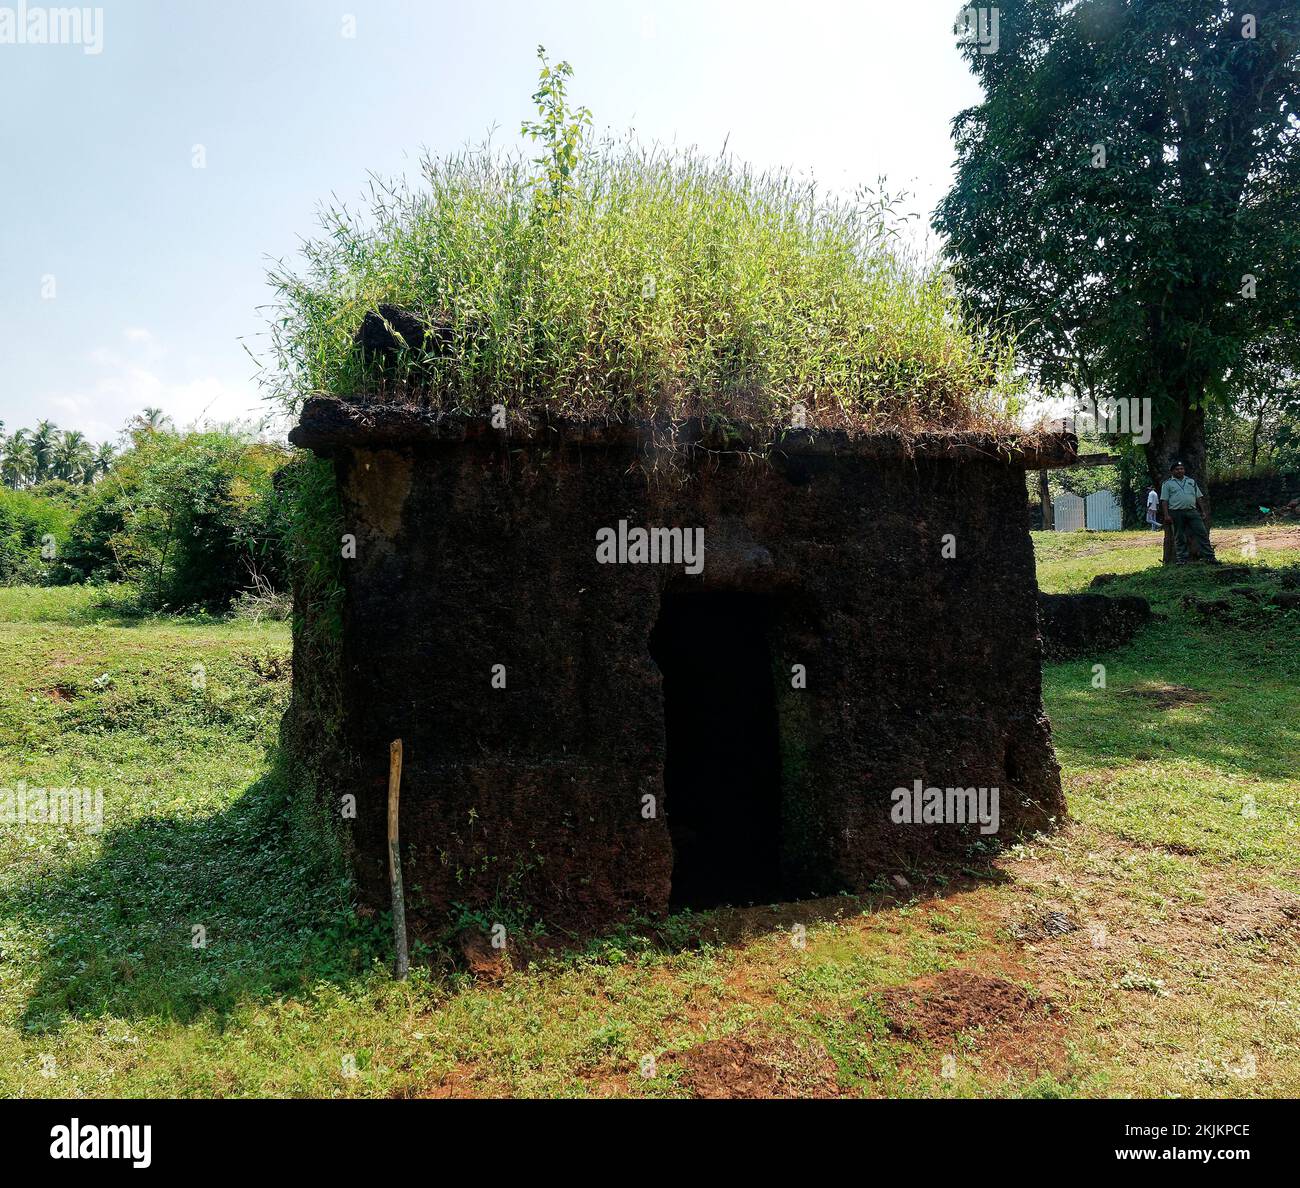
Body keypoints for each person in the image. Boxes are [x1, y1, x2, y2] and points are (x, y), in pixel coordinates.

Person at [1159, 461, 1217, 563]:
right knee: (1179, 536)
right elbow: (1164, 500)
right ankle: (1182, 559)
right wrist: (1166, 515)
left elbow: (1198, 497)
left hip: (1192, 511)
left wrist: (1203, 511)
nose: (1180, 471)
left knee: (1202, 533)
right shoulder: (1167, 484)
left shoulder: (1191, 481)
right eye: (1177, 469)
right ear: (1172, 471)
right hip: (1176, 512)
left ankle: (1210, 557)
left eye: (1181, 469)